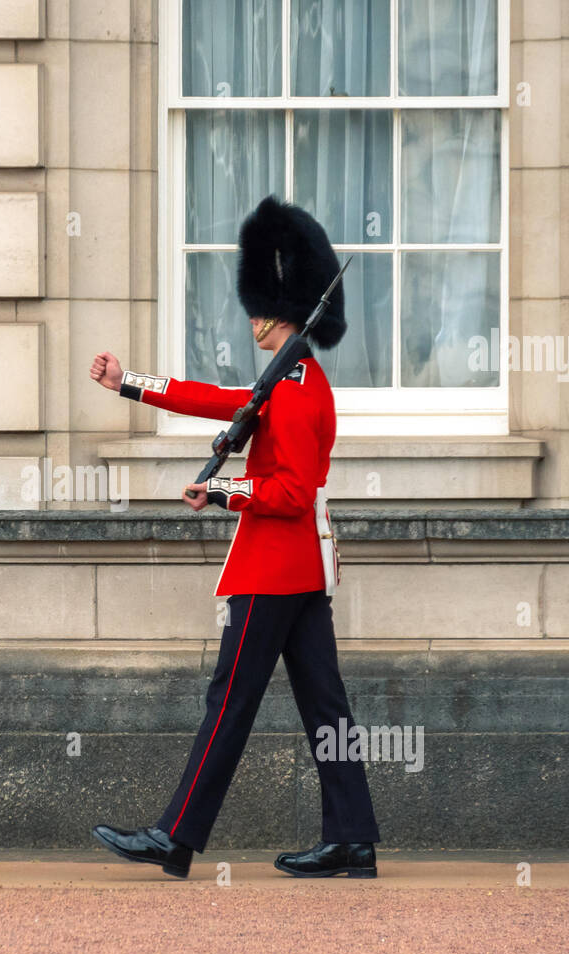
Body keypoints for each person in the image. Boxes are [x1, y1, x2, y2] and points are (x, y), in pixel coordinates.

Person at [87, 195, 381, 880]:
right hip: (298, 570)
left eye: (264, 305)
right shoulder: (285, 380)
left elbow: (290, 494)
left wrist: (221, 490)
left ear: (289, 307)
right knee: (325, 705)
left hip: (274, 569)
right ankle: (353, 836)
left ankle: (176, 834)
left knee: (230, 702)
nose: (253, 317)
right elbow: (208, 396)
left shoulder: (303, 390)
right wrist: (128, 382)